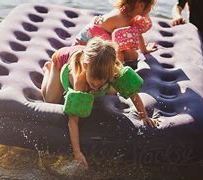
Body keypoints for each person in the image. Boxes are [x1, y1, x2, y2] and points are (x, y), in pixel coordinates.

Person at [41, 38, 157, 168]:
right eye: (93, 79)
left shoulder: (112, 70)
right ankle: (48, 69)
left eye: (101, 80)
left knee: (112, 92)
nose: (96, 83)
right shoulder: (80, 80)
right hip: (61, 60)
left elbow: (133, 94)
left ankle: (103, 84)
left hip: (92, 59)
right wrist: (77, 152)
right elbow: (73, 119)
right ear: (85, 67)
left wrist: (144, 116)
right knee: (51, 99)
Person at [74, 0, 158, 63]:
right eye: (150, 6)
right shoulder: (122, 21)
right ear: (141, 5)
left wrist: (145, 51)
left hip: (93, 35)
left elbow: (137, 33)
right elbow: (119, 51)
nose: (150, 10)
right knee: (132, 56)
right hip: (85, 44)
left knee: (131, 55)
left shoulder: (127, 13)